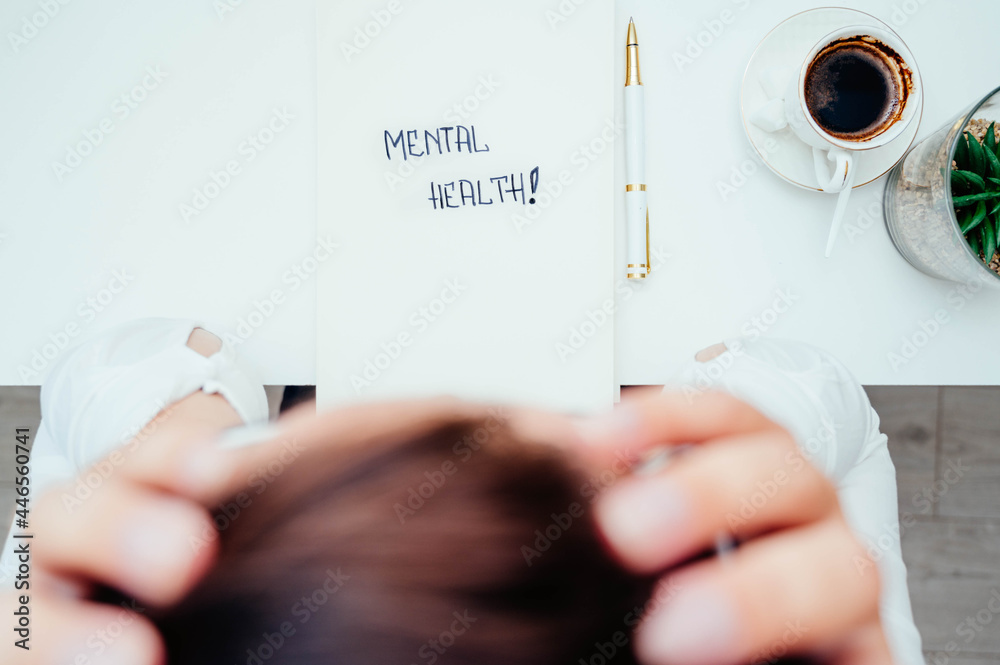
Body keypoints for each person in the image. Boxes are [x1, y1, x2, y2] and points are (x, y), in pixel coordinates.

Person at [0, 319, 919, 664]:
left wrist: (179, 430)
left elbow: (152, 353)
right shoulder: (774, 593)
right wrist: (735, 405)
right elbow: (837, 404)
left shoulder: (74, 601)